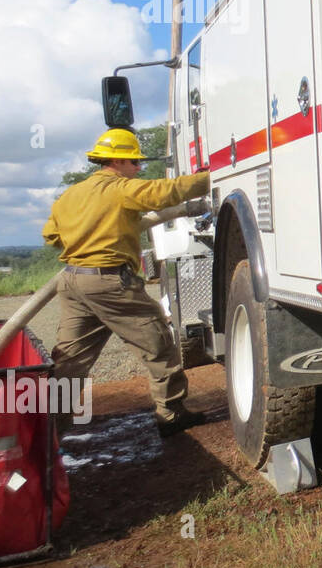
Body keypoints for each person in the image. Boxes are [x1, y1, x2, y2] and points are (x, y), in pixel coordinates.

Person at [42, 128, 211, 436]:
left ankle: (48, 432)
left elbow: (51, 236)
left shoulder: (69, 196)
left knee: (70, 362)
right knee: (158, 344)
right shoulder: (120, 189)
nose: (138, 169)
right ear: (118, 160)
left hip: (73, 282)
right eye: (134, 162)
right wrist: (212, 178)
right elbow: (165, 192)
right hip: (110, 283)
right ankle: (171, 415)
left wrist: (88, 238)